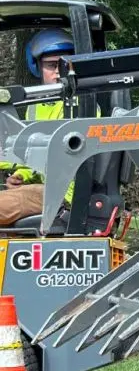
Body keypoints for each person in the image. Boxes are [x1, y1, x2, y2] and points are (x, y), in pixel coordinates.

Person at [0, 29, 75, 227]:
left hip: (62, 193)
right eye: (52, 65)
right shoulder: (35, 106)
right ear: (38, 68)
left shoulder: (81, 105)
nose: (59, 71)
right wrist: (20, 175)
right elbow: (29, 152)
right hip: (46, 189)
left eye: (64, 65)